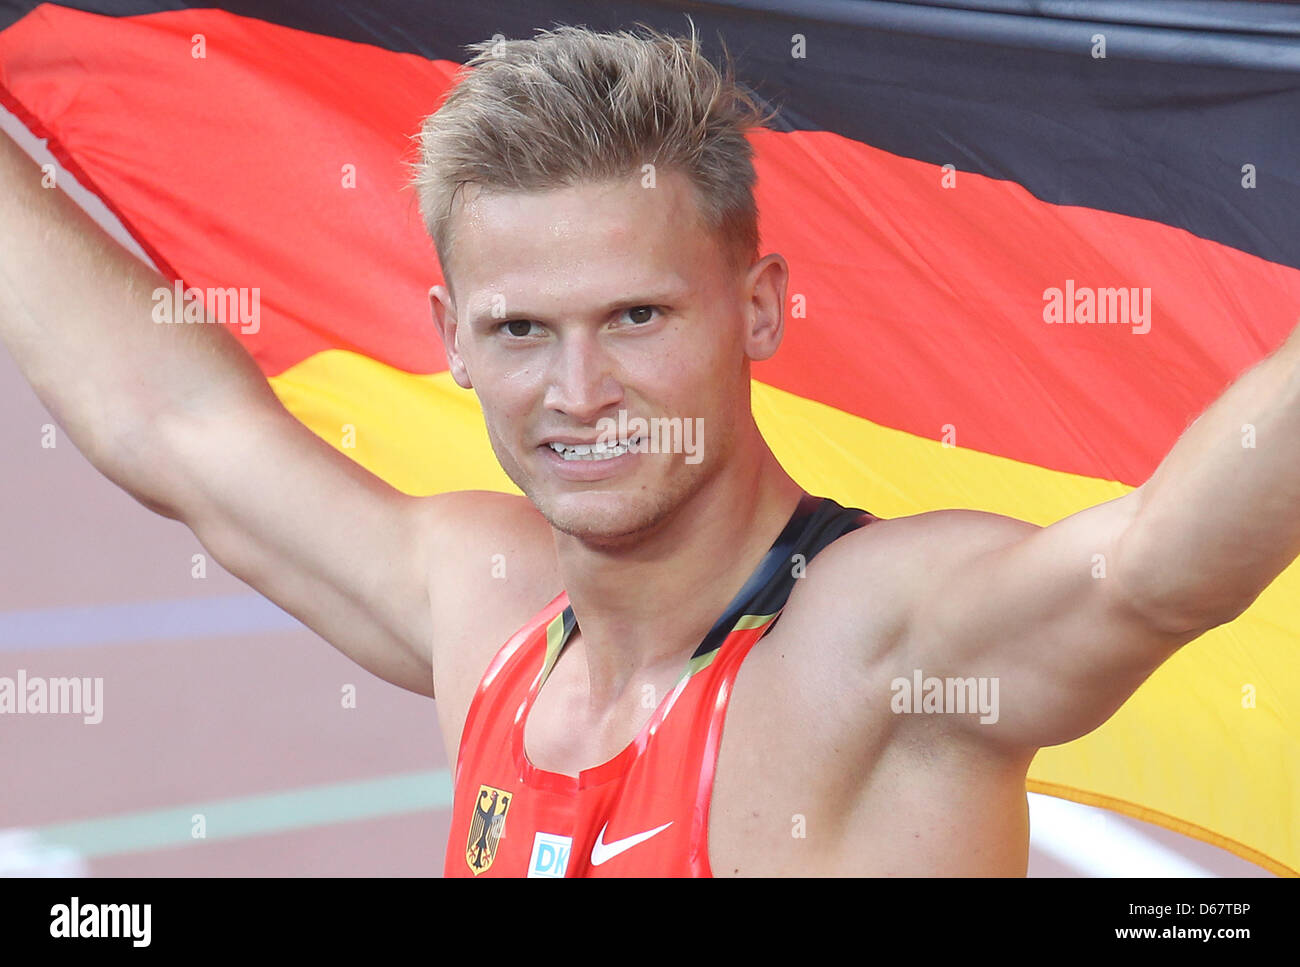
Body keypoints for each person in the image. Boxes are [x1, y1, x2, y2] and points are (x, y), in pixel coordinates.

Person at [1, 22, 1296, 878]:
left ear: (761, 308)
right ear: (452, 338)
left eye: (636, 316)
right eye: (522, 330)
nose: (580, 392)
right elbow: (171, 424)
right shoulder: (487, 608)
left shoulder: (871, 651)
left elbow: (1153, 566)